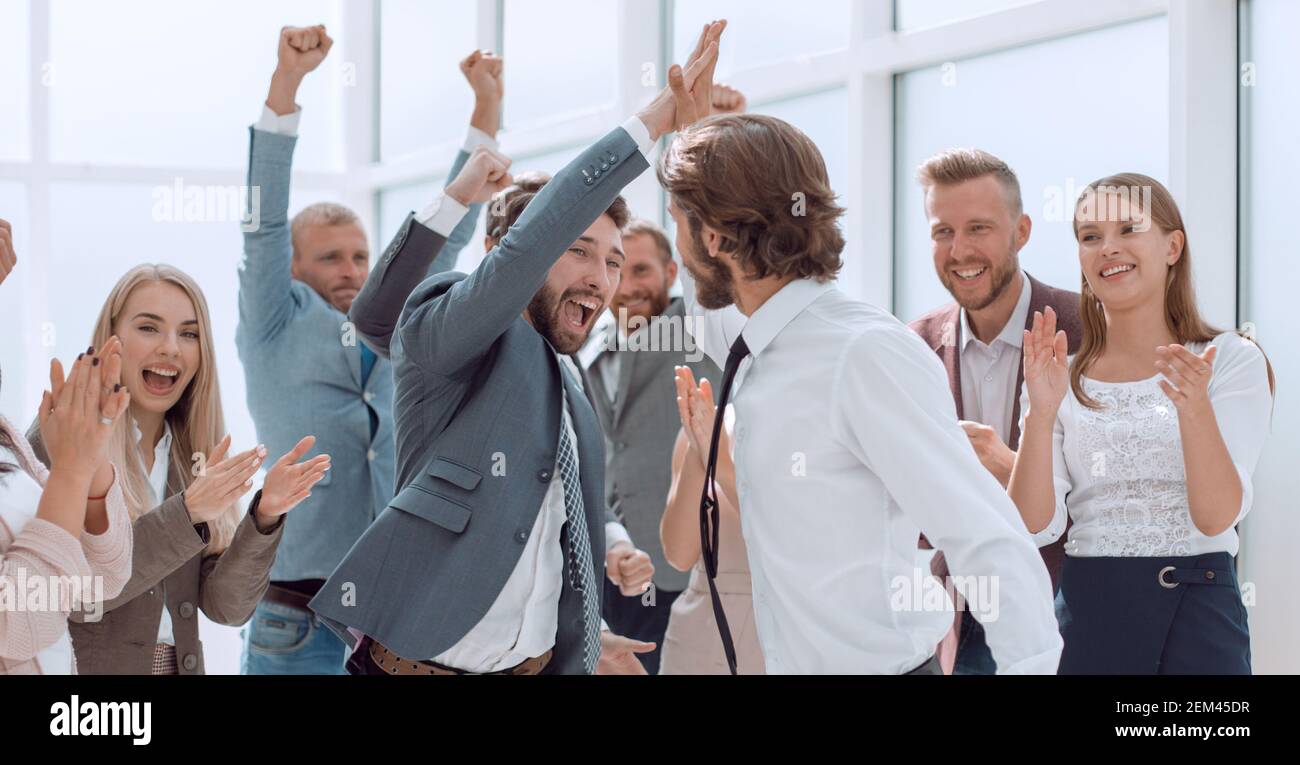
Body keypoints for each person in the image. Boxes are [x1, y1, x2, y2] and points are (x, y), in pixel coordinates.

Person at [309, 22, 729, 676]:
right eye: (580, 251)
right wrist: (659, 120)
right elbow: (516, 248)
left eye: (615, 262)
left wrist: (609, 561)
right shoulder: (453, 337)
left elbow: (561, 513)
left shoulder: (573, 382)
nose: (601, 275)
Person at [660, 23, 1062, 673]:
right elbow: (704, 301)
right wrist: (694, 137)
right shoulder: (758, 341)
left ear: (710, 237)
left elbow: (989, 538)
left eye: (679, 220)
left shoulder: (861, 352)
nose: (676, 239)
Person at [236, 26, 491, 674]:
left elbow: (445, 241)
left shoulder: (395, 318)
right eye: (330, 258)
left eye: (359, 255)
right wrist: (287, 83)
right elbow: (262, 219)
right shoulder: (272, 322)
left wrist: (484, 113)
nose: (351, 269)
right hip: (297, 622)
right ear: (292, 268)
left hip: (395, 622)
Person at [1008, 173, 1274, 674]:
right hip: (1089, 621)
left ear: (1173, 246)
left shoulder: (1230, 360)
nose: (1108, 247)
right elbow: (1031, 526)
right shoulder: (1057, 376)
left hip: (1200, 617)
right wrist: (1040, 413)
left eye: (1128, 229)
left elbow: (1216, 517)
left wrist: (1194, 408)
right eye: (1090, 237)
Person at [28, 264, 328, 674]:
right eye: (149, 328)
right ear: (110, 338)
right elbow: (81, 598)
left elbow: (228, 608)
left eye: (189, 333)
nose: (171, 348)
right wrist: (186, 513)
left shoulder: (192, 452)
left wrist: (265, 516)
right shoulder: (62, 434)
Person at [907, 148, 1081, 674]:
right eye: (943, 232)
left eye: (978, 228)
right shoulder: (910, 348)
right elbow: (903, 513)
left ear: (1022, 231)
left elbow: (1122, 498)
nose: (959, 251)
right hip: (962, 624)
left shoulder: (1090, 329)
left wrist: (1010, 467)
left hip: (1071, 614)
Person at [1, 223, 132, 674]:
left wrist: (89, 460)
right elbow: (15, 626)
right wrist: (71, 472)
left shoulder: (6, 437)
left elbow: (101, 581)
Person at [657, 366, 763, 674]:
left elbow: (787, 539)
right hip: (695, 638)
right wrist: (697, 447)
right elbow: (678, 554)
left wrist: (721, 464)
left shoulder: (820, 433)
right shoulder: (713, 421)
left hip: (776, 638)